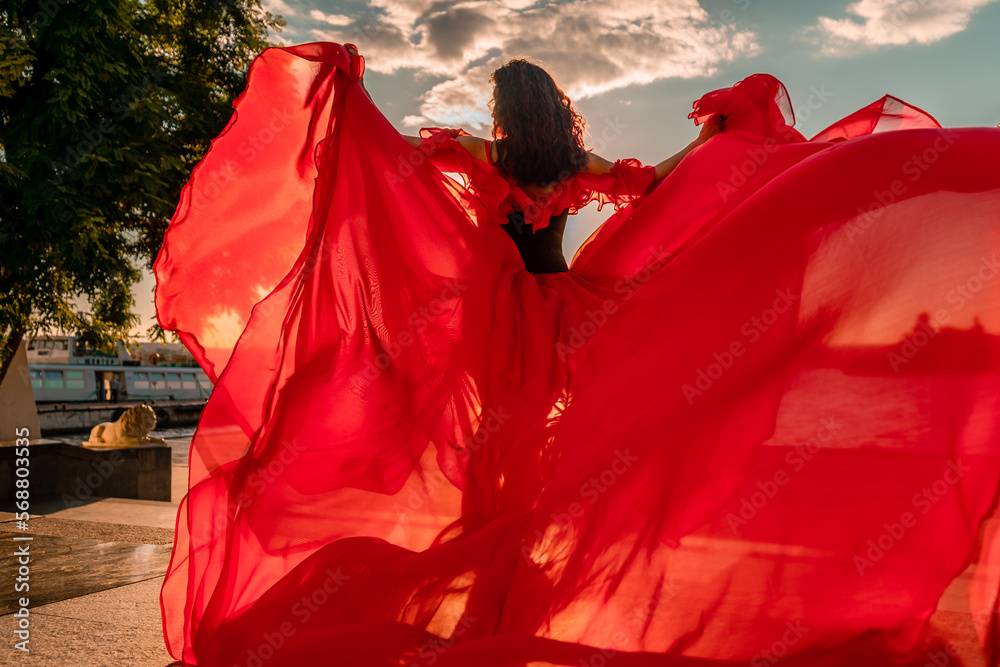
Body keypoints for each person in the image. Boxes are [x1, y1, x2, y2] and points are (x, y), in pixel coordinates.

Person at [155, 43, 1000, 666]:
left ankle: (496, 571)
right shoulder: (570, 165)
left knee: (491, 446)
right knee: (553, 447)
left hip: (501, 319)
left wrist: (351, 111)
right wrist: (720, 133)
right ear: (552, 109)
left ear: (503, 113)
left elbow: (408, 168)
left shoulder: (489, 158)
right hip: (569, 314)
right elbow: (654, 182)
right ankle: (529, 558)